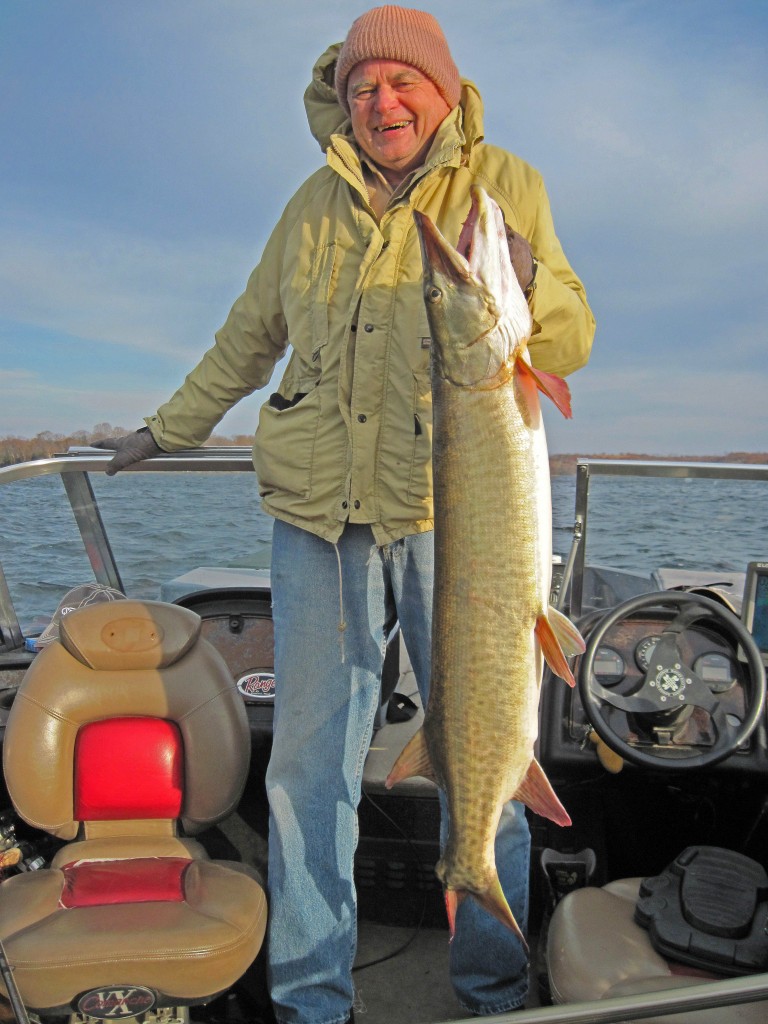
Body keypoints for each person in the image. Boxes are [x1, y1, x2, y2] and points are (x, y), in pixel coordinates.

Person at [95, 7, 595, 1022]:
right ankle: (311, 996)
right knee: (309, 774)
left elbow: (571, 334)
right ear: (343, 104)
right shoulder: (309, 209)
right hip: (319, 523)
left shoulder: (508, 190)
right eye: (363, 88)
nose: (383, 102)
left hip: (453, 522)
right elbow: (246, 339)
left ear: (441, 93)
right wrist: (163, 429)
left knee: (488, 749)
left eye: (403, 84)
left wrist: (528, 288)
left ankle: (494, 987)